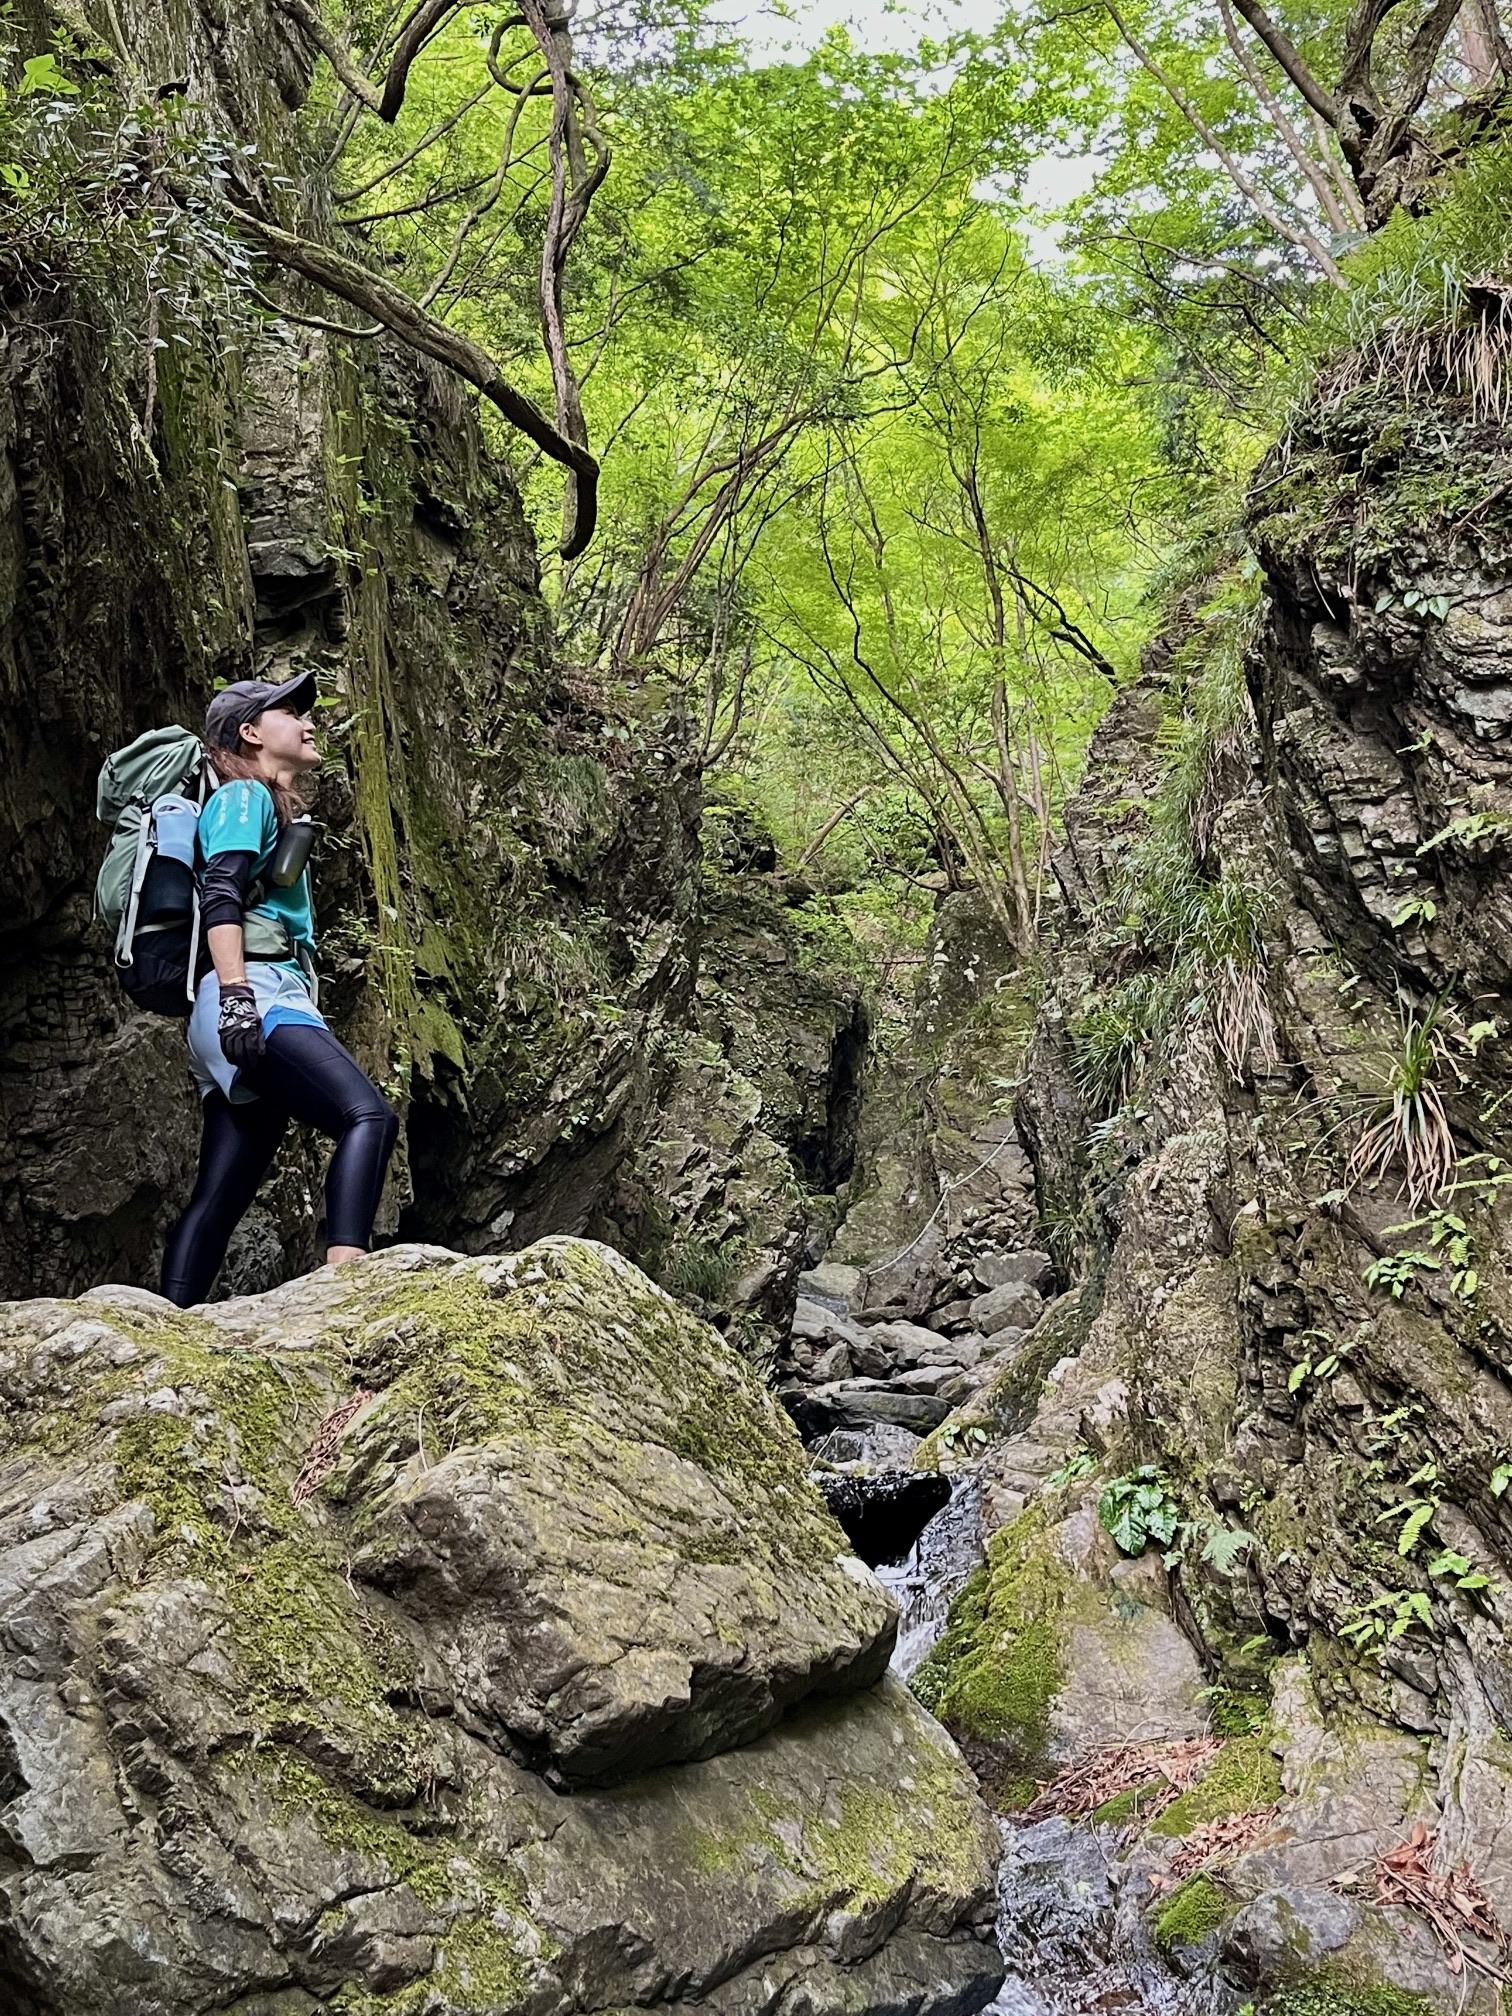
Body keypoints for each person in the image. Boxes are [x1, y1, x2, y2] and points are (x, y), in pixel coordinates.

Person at [160, 671, 399, 1307]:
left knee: (221, 1195)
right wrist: (240, 995)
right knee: (368, 1116)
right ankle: (345, 1292)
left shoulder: (264, 802)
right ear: (250, 732)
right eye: (290, 711)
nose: (307, 721)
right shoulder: (245, 799)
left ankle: (166, 1321)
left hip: (226, 1007)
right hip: (255, 994)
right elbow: (221, 893)